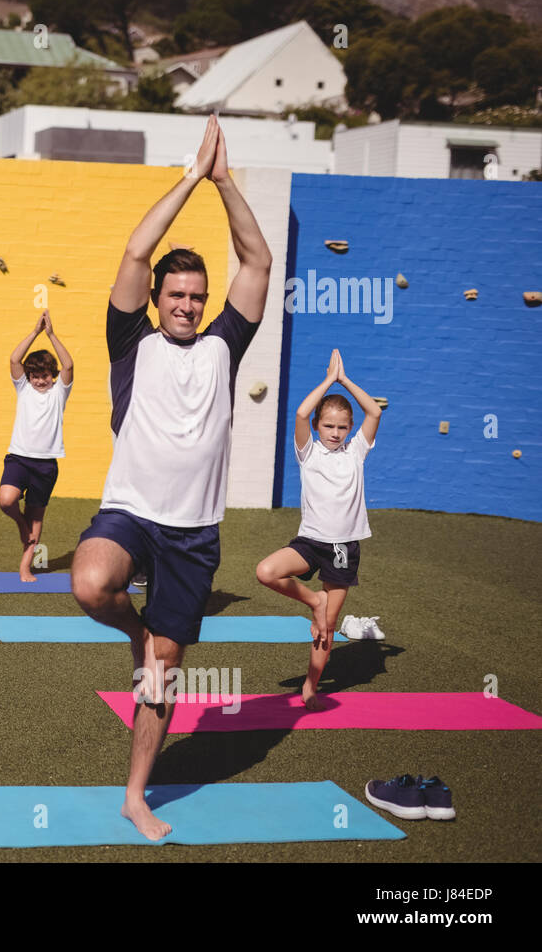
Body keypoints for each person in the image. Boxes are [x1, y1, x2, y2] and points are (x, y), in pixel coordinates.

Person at [70, 114, 272, 840]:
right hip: (131, 512)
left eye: (195, 294)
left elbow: (258, 264)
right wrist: (190, 175)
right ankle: (138, 632)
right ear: (157, 299)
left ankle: (135, 795)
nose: (187, 304)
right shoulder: (129, 341)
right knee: (91, 582)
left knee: (162, 675)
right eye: (175, 294)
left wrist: (225, 183)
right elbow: (134, 249)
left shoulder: (225, 344)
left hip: (193, 535)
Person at [256, 349, 381, 709]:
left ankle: (311, 685)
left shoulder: (356, 451)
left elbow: (373, 411)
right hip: (310, 542)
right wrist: (328, 380)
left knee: (327, 627)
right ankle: (314, 601)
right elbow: (300, 412)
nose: (336, 432)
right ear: (317, 426)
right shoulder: (307, 452)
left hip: (343, 548)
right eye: (328, 425)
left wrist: (345, 381)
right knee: (266, 571)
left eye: (343, 426)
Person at [0, 308, 73, 581]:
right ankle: (20, 523)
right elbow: (14, 358)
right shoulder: (23, 388)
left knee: (37, 516)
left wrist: (52, 335)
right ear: (28, 377)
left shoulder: (59, 393)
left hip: (46, 465)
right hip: (19, 458)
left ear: (51, 375)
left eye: (44, 375)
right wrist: (35, 332)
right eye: (35, 376)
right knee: (6, 500)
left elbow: (68, 366)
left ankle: (25, 567)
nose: (40, 380)